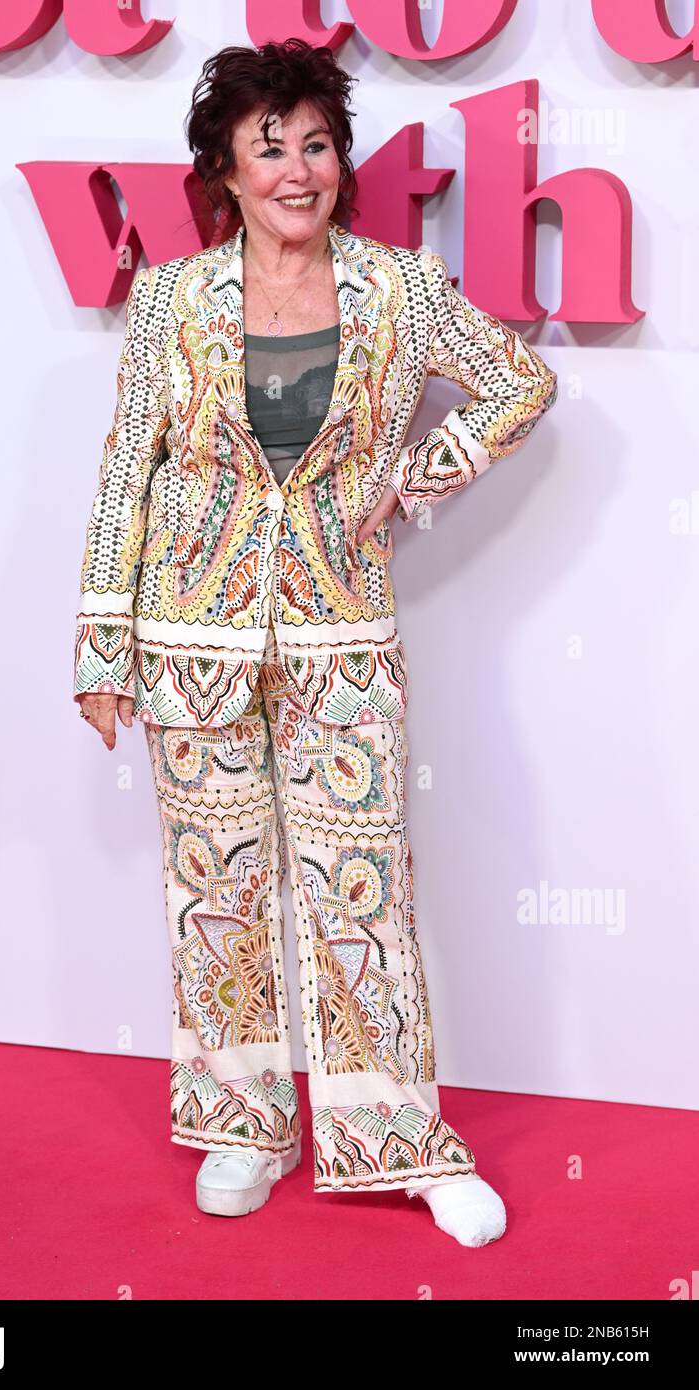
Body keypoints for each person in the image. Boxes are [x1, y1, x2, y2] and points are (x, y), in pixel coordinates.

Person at [73, 38, 557, 1247]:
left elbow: (517, 384)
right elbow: (130, 469)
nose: (299, 169)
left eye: (317, 144)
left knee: (362, 888)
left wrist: (419, 474)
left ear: (339, 158)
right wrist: (101, 644)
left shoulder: (401, 286)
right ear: (224, 171)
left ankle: (394, 1133)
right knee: (218, 893)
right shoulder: (174, 300)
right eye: (268, 147)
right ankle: (242, 1124)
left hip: (344, 633)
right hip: (190, 637)